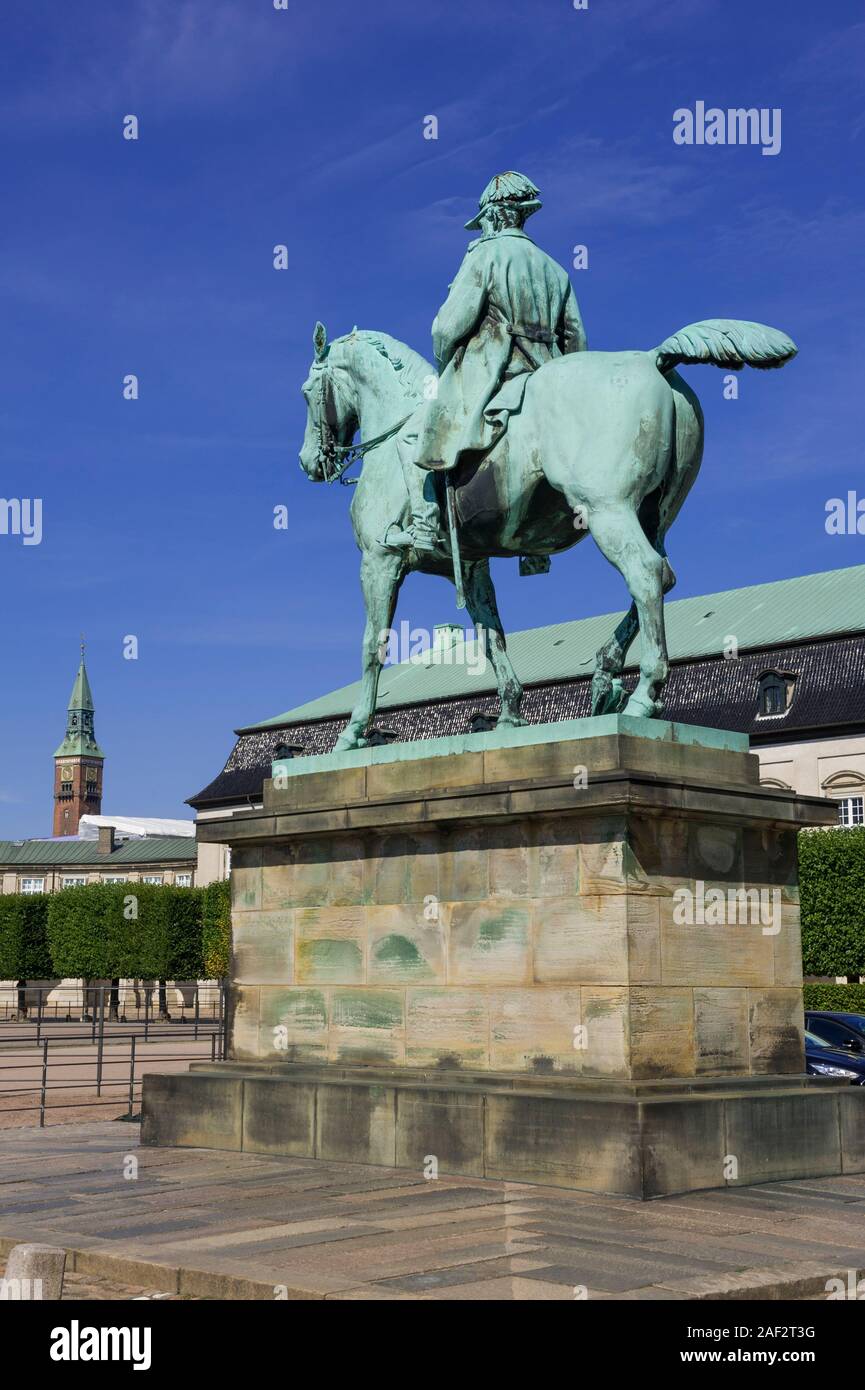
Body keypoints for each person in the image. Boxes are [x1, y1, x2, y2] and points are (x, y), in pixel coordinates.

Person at [384, 171, 587, 552]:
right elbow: (576, 340)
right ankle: (536, 550)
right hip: (549, 371)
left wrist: (447, 362)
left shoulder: (485, 254)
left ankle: (425, 527)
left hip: (496, 371)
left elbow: (446, 328)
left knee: (413, 435)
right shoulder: (556, 269)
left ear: (493, 217)